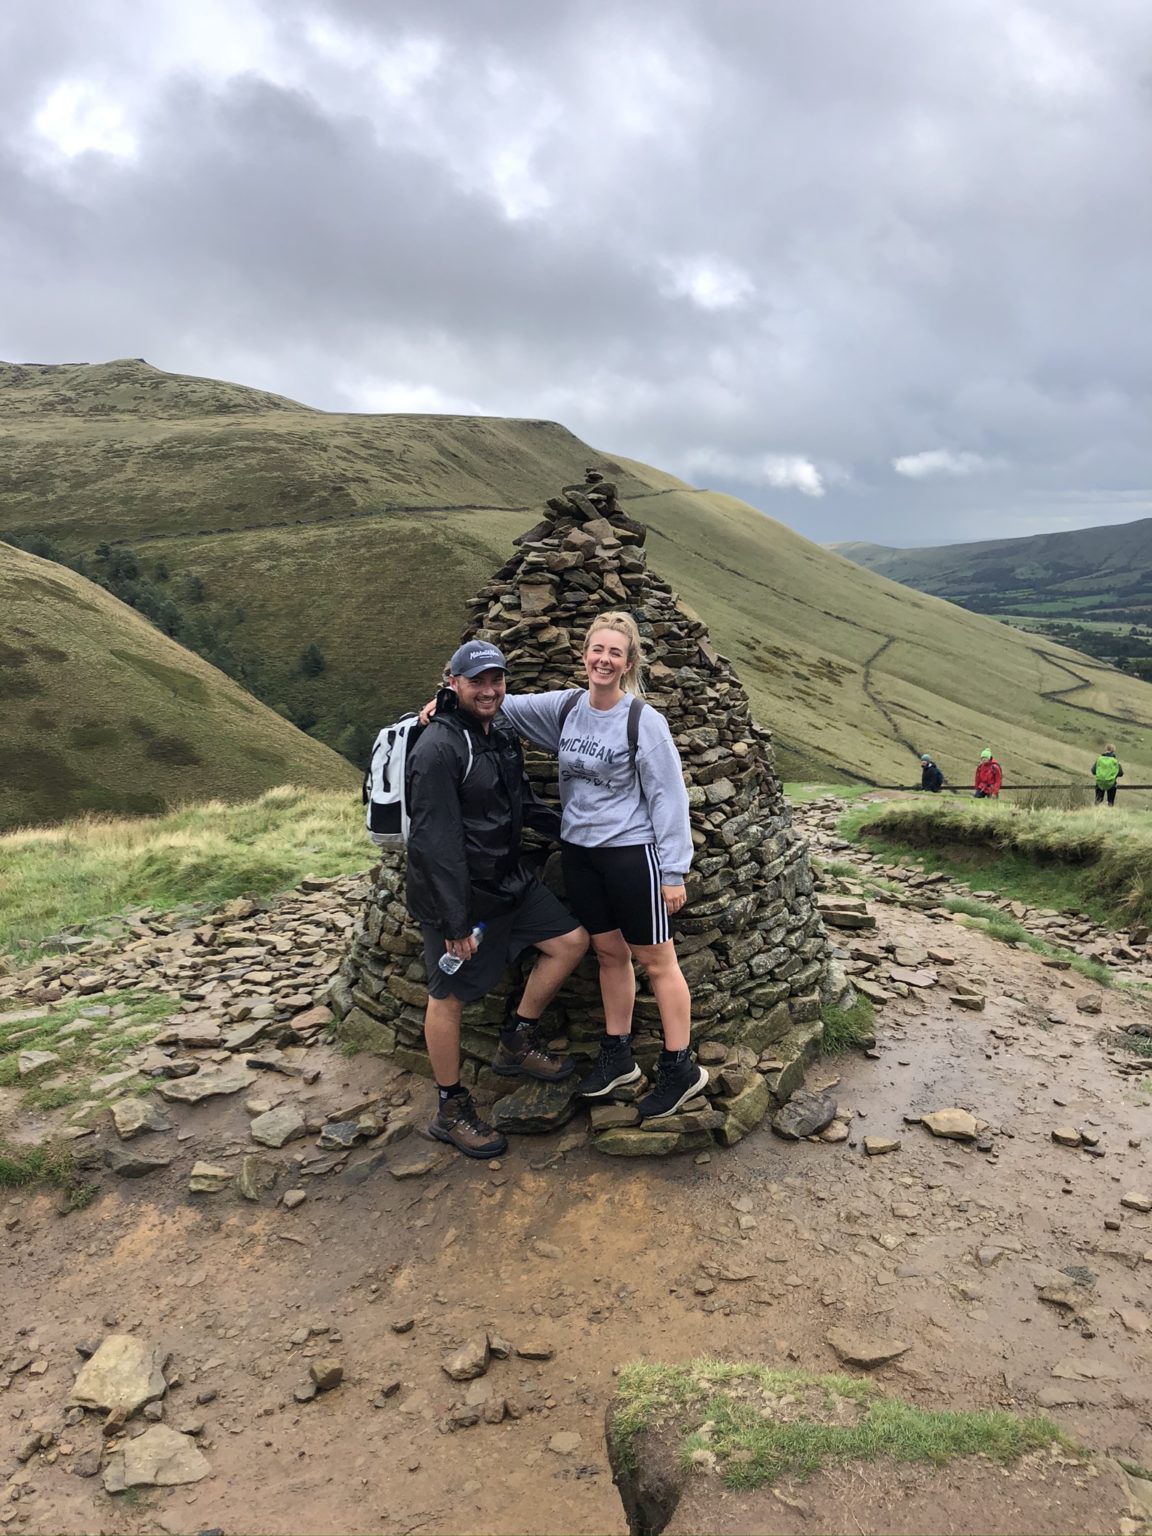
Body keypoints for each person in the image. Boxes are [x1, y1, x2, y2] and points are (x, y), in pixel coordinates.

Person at [495, 612, 708, 1120]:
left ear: (628, 663)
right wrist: (446, 701)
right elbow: (500, 704)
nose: (604, 660)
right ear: (584, 654)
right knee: (610, 954)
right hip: (580, 855)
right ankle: (618, 1058)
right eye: (597, 650)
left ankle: (681, 1067)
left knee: (658, 961)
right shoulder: (567, 707)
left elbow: (669, 797)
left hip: (631, 856)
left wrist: (673, 872)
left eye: (615, 653)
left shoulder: (643, 721)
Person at [405, 640, 589, 1159]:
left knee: (570, 941)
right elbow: (434, 843)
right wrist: (455, 922)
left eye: (496, 679)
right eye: (477, 681)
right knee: (447, 997)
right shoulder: (438, 748)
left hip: (510, 882)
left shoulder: (501, 730)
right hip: (460, 898)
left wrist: (582, 835)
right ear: (453, 683)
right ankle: (450, 1108)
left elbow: (521, 802)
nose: (489, 690)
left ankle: (517, 1038)